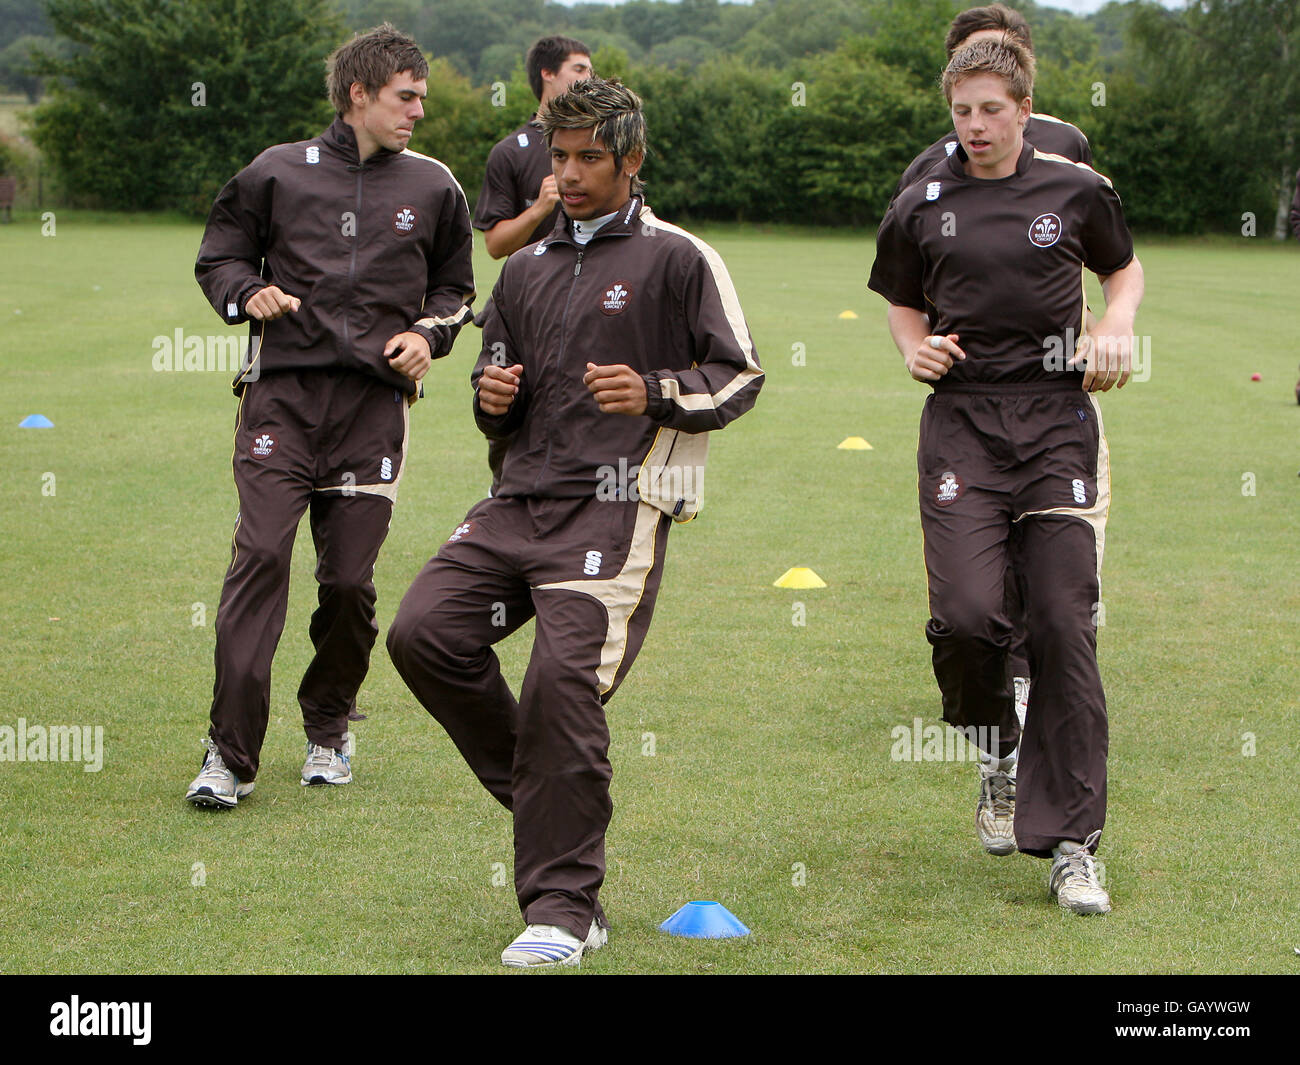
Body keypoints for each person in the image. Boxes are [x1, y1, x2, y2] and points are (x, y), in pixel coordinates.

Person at [386, 77, 763, 966]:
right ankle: (550, 802)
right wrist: (490, 397)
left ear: (632, 159)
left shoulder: (680, 258)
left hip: (619, 503)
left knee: (562, 686)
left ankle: (563, 910)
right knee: (421, 634)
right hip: (517, 500)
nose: (570, 175)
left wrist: (658, 392)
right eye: (559, 158)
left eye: (591, 156)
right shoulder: (523, 267)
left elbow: (741, 376)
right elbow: (495, 401)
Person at [868, 36, 1144, 914]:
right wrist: (917, 350)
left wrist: (1114, 326)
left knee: (1063, 623)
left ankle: (1073, 844)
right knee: (966, 619)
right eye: (961, 110)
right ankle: (996, 745)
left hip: (1058, 420)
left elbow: (1123, 270)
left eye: (992, 109)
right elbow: (901, 302)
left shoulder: (1075, 189)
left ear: (1027, 110)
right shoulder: (923, 200)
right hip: (963, 424)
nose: (976, 126)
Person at [186, 24, 475, 808]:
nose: (418, 111)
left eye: (421, 98)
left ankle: (328, 728)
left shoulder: (433, 186)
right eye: (405, 96)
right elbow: (220, 257)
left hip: (372, 412)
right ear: (359, 94)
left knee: (347, 582)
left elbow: (456, 293)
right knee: (261, 561)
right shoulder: (277, 172)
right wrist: (248, 294)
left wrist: (426, 334)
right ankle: (228, 754)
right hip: (280, 400)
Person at [473, 35, 593, 260]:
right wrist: (539, 208)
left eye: (590, 71)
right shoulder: (509, 152)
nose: (589, 78)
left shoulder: (603, 144)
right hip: (531, 292)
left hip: (591, 289)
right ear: (548, 73)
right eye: (579, 69)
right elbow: (495, 247)